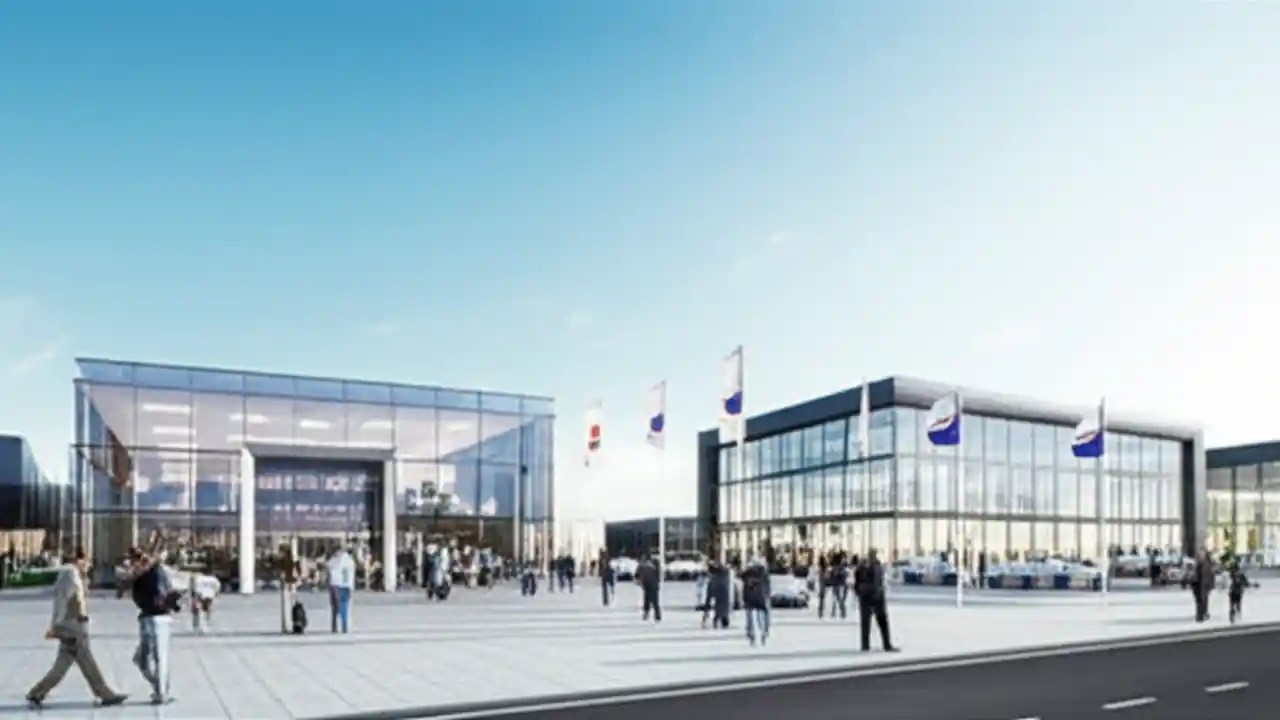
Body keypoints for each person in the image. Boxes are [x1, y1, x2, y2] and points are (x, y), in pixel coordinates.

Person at [26, 550, 128, 709]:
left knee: (64, 663)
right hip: (74, 625)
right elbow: (64, 601)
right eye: (87, 563)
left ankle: (37, 692)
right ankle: (104, 693)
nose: (88, 567)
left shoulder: (71, 574)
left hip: (72, 624)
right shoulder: (70, 576)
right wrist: (56, 625)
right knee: (85, 661)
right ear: (80, 560)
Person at [130, 546, 178, 705]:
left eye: (142, 559)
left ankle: (161, 692)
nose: (139, 563)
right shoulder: (142, 576)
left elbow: (166, 595)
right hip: (146, 619)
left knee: (159, 656)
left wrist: (168, 604)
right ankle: (159, 686)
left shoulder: (158, 572)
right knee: (141, 659)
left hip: (159, 618)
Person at [854, 550, 898, 653]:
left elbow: (878, 581)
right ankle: (876, 645)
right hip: (871, 597)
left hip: (871, 597)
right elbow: (862, 582)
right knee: (873, 623)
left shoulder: (870, 566)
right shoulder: (869, 567)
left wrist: (860, 592)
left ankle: (873, 645)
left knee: (874, 622)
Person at [741, 556, 771, 647]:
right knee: (764, 615)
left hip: (750, 598)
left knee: (750, 616)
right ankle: (764, 633)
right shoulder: (764, 574)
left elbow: (744, 582)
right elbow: (767, 588)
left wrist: (744, 598)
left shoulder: (747, 574)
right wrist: (767, 596)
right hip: (761, 598)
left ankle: (751, 634)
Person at [329, 545, 356, 633]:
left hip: (335, 585)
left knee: (335, 607)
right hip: (345, 585)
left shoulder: (336, 559)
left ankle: (335, 627)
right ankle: (344, 626)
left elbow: (329, 566)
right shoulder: (350, 561)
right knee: (343, 606)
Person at [637, 554, 662, 623]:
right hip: (651, 585)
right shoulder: (652, 565)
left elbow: (637, 576)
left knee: (650, 601)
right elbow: (658, 575)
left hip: (649, 585)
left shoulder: (642, 566)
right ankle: (655, 616)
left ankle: (651, 615)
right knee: (652, 601)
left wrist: (639, 582)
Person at [1192, 548, 1214, 623]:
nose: (1198, 556)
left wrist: (1210, 585)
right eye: (1198, 555)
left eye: (1200, 554)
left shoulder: (1207, 564)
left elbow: (1210, 575)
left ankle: (1201, 615)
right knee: (1200, 601)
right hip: (1199, 585)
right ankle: (1201, 615)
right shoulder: (1199, 564)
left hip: (1204, 585)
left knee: (1203, 600)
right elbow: (1195, 576)